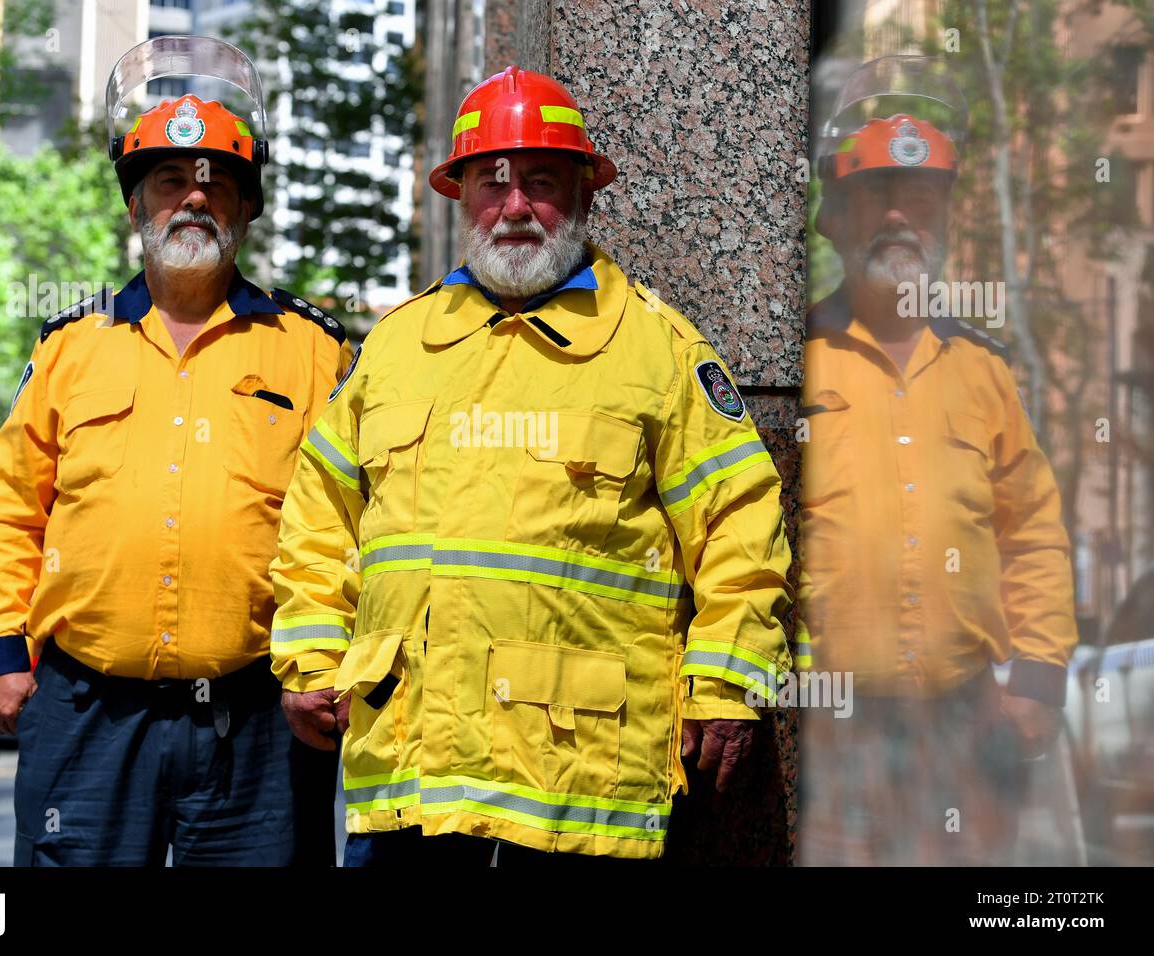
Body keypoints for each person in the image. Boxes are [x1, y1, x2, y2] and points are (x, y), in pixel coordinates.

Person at [270, 65, 794, 863]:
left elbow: (739, 523)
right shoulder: (395, 348)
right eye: (493, 183)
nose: (514, 207)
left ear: (585, 192)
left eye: (540, 182)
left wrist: (728, 685)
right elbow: (318, 513)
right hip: (412, 783)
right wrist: (309, 657)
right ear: (461, 195)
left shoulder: (657, 350)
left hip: (578, 794)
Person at [0, 36, 349, 866]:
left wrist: (335, 663)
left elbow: (359, 519)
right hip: (87, 712)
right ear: (137, 207)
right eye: (170, 182)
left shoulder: (313, 351)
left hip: (259, 719)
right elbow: (8, 508)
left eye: (216, 182)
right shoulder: (71, 347)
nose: (193, 199)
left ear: (245, 207)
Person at [797, 57, 1079, 865]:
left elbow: (1033, 533)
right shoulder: (797, 361)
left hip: (967, 726)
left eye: (919, 196)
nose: (897, 215)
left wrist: (1037, 679)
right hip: (832, 733)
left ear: (947, 217)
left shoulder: (983, 373)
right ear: (833, 218)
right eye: (873, 194)